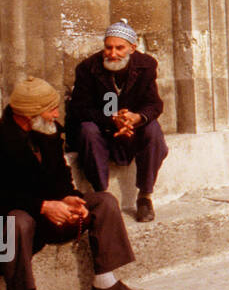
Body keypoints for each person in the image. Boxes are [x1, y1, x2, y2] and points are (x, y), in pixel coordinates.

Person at [0, 77, 147, 290]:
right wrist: (42, 206)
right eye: (51, 109)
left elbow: (61, 179)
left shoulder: (48, 131)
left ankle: (104, 283)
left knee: (103, 202)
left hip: (44, 217)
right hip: (0, 225)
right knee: (18, 221)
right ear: (30, 114)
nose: (56, 114)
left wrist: (70, 198)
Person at [67, 20, 168, 222]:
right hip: (103, 131)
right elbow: (79, 109)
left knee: (153, 129)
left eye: (119, 48)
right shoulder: (88, 69)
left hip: (133, 130)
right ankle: (102, 195)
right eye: (108, 47)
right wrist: (112, 119)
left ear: (132, 48)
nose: (112, 54)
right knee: (87, 130)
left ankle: (145, 196)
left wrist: (136, 118)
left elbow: (154, 104)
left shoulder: (146, 66)